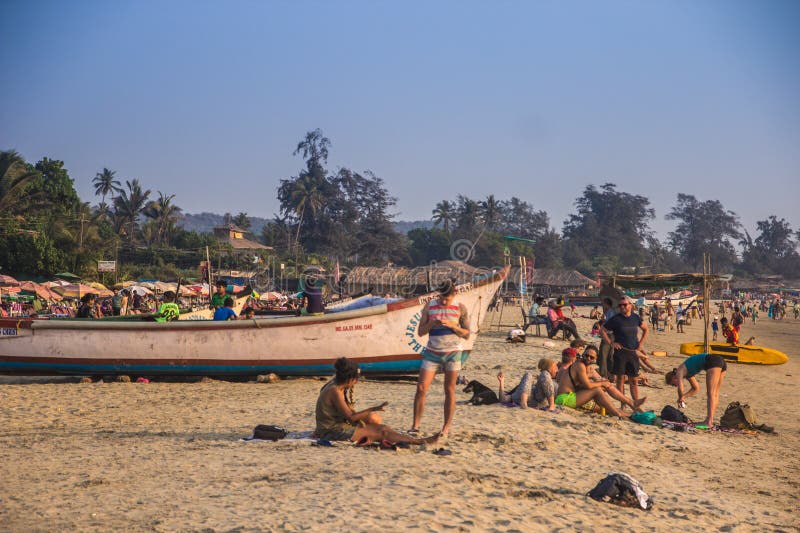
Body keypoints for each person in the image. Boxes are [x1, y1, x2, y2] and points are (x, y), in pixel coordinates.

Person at [314, 357, 438, 445]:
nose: (356, 382)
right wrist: (372, 409)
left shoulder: (333, 384)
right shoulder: (335, 391)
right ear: (350, 379)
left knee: (379, 424)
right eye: (355, 379)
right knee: (382, 431)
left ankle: (410, 439)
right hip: (332, 432)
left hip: (332, 427)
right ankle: (419, 442)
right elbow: (351, 417)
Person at [412, 279, 470, 438]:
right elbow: (420, 332)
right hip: (432, 352)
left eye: (447, 298)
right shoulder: (430, 306)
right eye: (442, 297)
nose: (444, 301)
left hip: (453, 353)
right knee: (421, 388)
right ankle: (415, 426)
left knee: (449, 389)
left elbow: (467, 334)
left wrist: (453, 326)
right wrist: (432, 323)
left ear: (454, 294)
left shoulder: (460, 308)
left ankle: (446, 428)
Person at [555, 347, 643, 416]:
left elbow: (581, 385)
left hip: (567, 397)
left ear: (595, 359)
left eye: (591, 357)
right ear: (583, 354)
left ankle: (629, 404)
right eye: (586, 355)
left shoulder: (584, 367)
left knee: (602, 387)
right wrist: (602, 383)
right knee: (597, 389)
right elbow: (588, 386)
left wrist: (603, 384)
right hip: (564, 399)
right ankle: (619, 411)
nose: (588, 358)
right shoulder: (579, 365)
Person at [600, 295, 648, 410]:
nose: (622, 307)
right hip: (620, 353)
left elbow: (646, 329)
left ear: (630, 305)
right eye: (620, 305)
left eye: (624, 305)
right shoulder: (616, 319)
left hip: (633, 352)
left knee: (634, 380)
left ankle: (636, 404)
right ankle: (623, 404)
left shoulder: (636, 318)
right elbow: (602, 330)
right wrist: (611, 343)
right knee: (620, 379)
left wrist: (640, 345)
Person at [665, 353, 727, 427]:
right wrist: (684, 397)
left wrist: (680, 397)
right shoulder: (688, 373)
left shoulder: (679, 371)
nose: (675, 385)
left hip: (712, 361)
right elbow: (696, 389)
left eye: (673, 384)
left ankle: (709, 422)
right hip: (720, 361)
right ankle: (710, 420)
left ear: (673, 377)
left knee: (711, 394)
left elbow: (681, 387)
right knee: (715, 393)